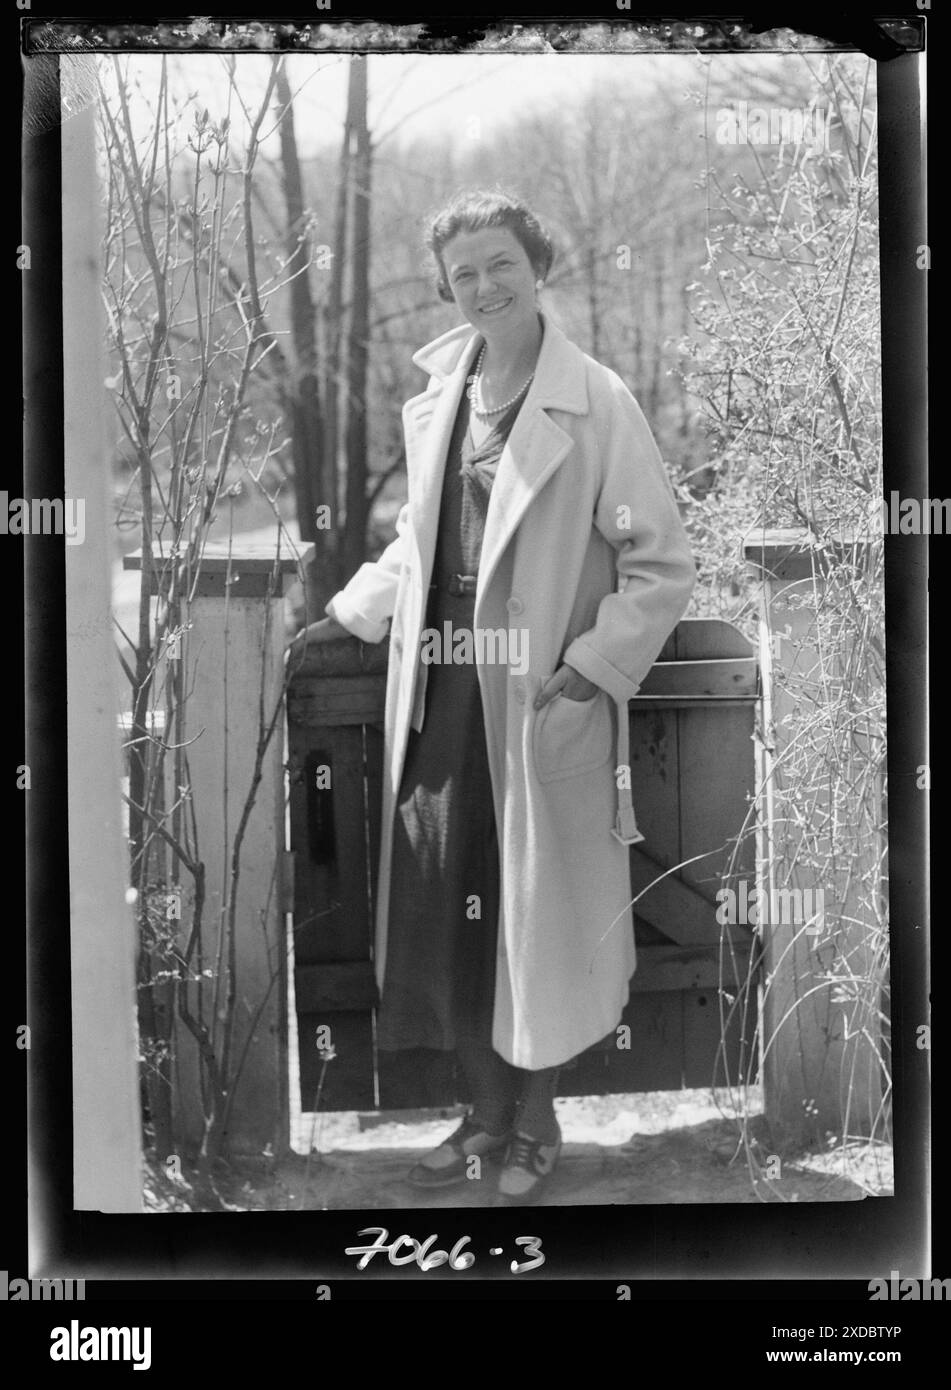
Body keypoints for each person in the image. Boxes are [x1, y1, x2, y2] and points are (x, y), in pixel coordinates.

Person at [292, 189, 696, 1205]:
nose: (483, 286)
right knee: (447, 899)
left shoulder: (596, 399)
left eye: (499, 263)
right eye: (463, 271)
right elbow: (419, 547)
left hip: (538, 694)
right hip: (441, 687)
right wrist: (351, 613)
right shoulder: (439, 398)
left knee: (538, 910)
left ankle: (537, 1119)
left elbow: (661, 563)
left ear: (537, 265)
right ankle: (480, 1113)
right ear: (445, 286)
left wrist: (591, 668)